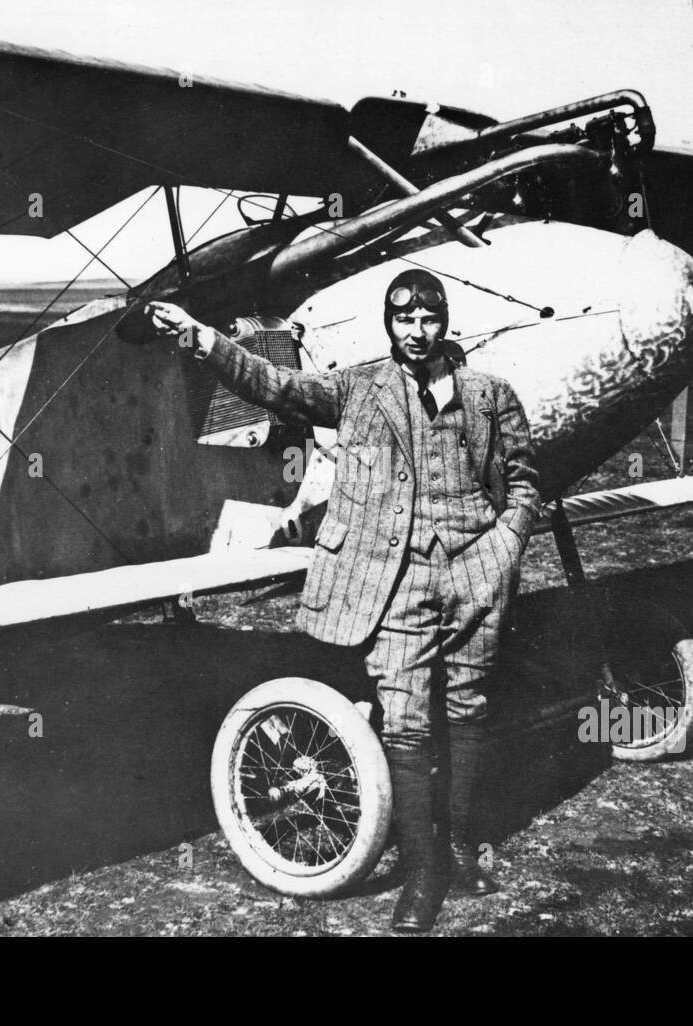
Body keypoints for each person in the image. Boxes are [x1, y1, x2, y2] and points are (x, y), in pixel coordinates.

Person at [147, 268, 541, 931]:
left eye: (429, 319)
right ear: (389, 323)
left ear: (445, 321)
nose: (417, 332)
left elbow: (525, 482)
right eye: (404, 319)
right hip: (396, 583)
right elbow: (274, 385)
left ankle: (461, 845)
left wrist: (504, 547)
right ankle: (423, 871)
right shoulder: (357, 388)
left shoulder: (490, 395)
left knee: (467, 706)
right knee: (407, 722)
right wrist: (201, 338)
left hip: (476, 575)